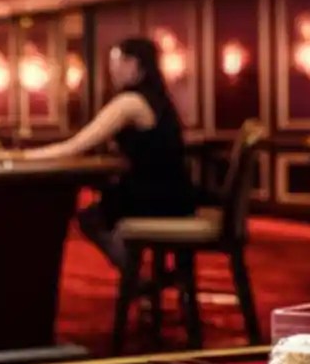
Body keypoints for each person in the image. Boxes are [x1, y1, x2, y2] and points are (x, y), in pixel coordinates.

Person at [24, 37, 195, 270]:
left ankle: (135, 275)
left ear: (134, 64)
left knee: (92, 217)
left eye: (116, 61)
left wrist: (25, 157)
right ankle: (139, 275)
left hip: (155, 198)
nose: (112, 69)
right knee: (100, 209)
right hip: (176, 194)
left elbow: (77, 146)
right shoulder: (158, 100)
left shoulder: (130, 102)